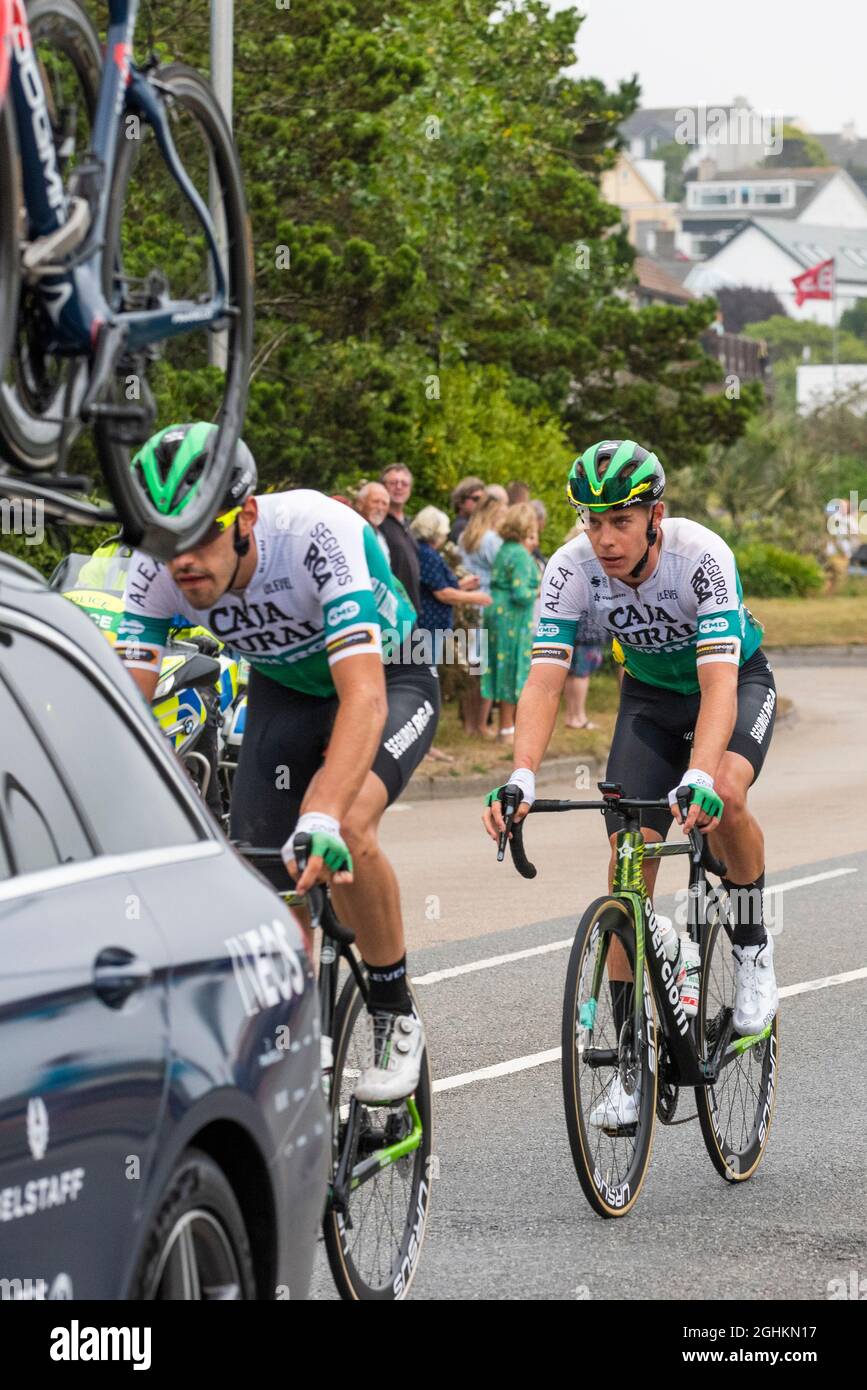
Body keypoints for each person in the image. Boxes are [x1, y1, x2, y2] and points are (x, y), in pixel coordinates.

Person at [115, 421, 439, 1104]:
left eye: (200, 532)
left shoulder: (321, 534)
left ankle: (393, 1010)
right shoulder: (157, 570)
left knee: (343, 826)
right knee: (266, 871)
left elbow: (363, 698)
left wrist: (318, 810)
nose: (180, 560)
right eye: (161, 538)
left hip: (388, 676)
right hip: (286, 692)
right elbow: (124, 718)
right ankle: (295, 1040)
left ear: (247, 518)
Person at [482, 439, 779, 1129]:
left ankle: (753, 951)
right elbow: (544, 680)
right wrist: (520, 775)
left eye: (621, 519)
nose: (605, 538)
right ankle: (628, 1066)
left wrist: (701, 774)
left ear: (655, 515)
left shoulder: (699, 555)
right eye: (592, 520)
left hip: (734, 684)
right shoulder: (569, 568)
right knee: (625, 870)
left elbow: (717, 683)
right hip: (647, 702)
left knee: (726, 795)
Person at [410, 505, 492, 760]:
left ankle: (423, 744)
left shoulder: (426, 553)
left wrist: (463, 586)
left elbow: (442, 585)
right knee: (424, 685)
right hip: (428, 629)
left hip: (431, 628)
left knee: (426, 684)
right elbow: (442, 593)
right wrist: (475, 597)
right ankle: (422, 745)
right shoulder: (429, 555)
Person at [480, 502, 540, 744]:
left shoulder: (505, 548)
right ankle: (507, 729)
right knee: (513, 667)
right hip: (513, 617)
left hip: (496, 610)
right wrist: (539, 590)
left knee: (499, 665)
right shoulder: (520, 554)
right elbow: (520, 593)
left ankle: (504, 727)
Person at [457, 495, 506, 737]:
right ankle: (481, 724)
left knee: (470, 666)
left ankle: (468, 724)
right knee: (484, 667)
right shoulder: (492, 540)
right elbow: (504, 569)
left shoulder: (465, 536)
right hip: (487, 603)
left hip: (468, 604)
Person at [379, 462, 422, 612]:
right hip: (392, 609)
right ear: (383, 486)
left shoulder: (409, 524)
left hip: (412, 608)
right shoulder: (378, 523)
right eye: (393, 483)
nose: (399, 487)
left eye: (404, 483)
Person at [355, 480, 391, 563]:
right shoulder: (354, 530)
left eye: (384, 503)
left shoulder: (380, 536)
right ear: (360, 504)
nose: (380, 508)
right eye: (375, 502)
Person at [448, 475, 486, 544]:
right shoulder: (461, 527)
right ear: (460, 502)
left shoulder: (472, 523)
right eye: (476, 499)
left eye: (482, 500)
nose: (480, 503)